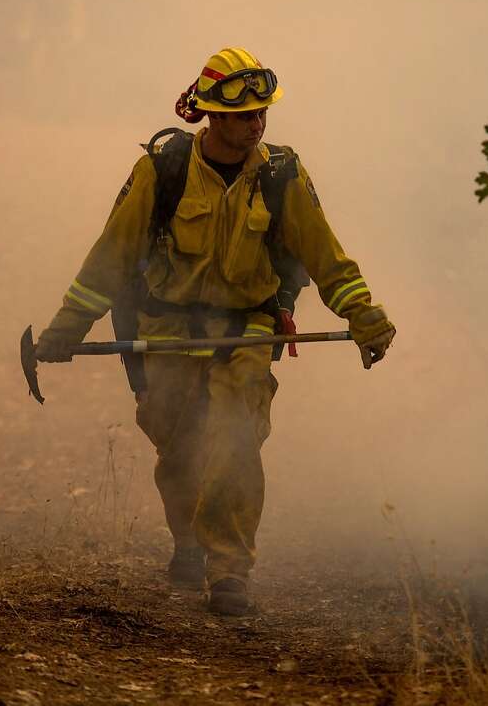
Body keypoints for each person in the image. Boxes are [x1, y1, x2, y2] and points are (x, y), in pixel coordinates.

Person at [33, 47, 395, 616]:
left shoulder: (281, 174)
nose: (258, 124)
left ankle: (229, 572)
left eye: (262, 113)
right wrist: (65, 328)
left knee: (235, 441)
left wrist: (364, 315)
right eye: (246, 114)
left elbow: (324, 255)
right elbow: (112, 257)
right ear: (212, 116)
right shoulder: (164, 170)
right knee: (177, 450)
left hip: (246, 331)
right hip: (167, 328)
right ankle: (188, 542)